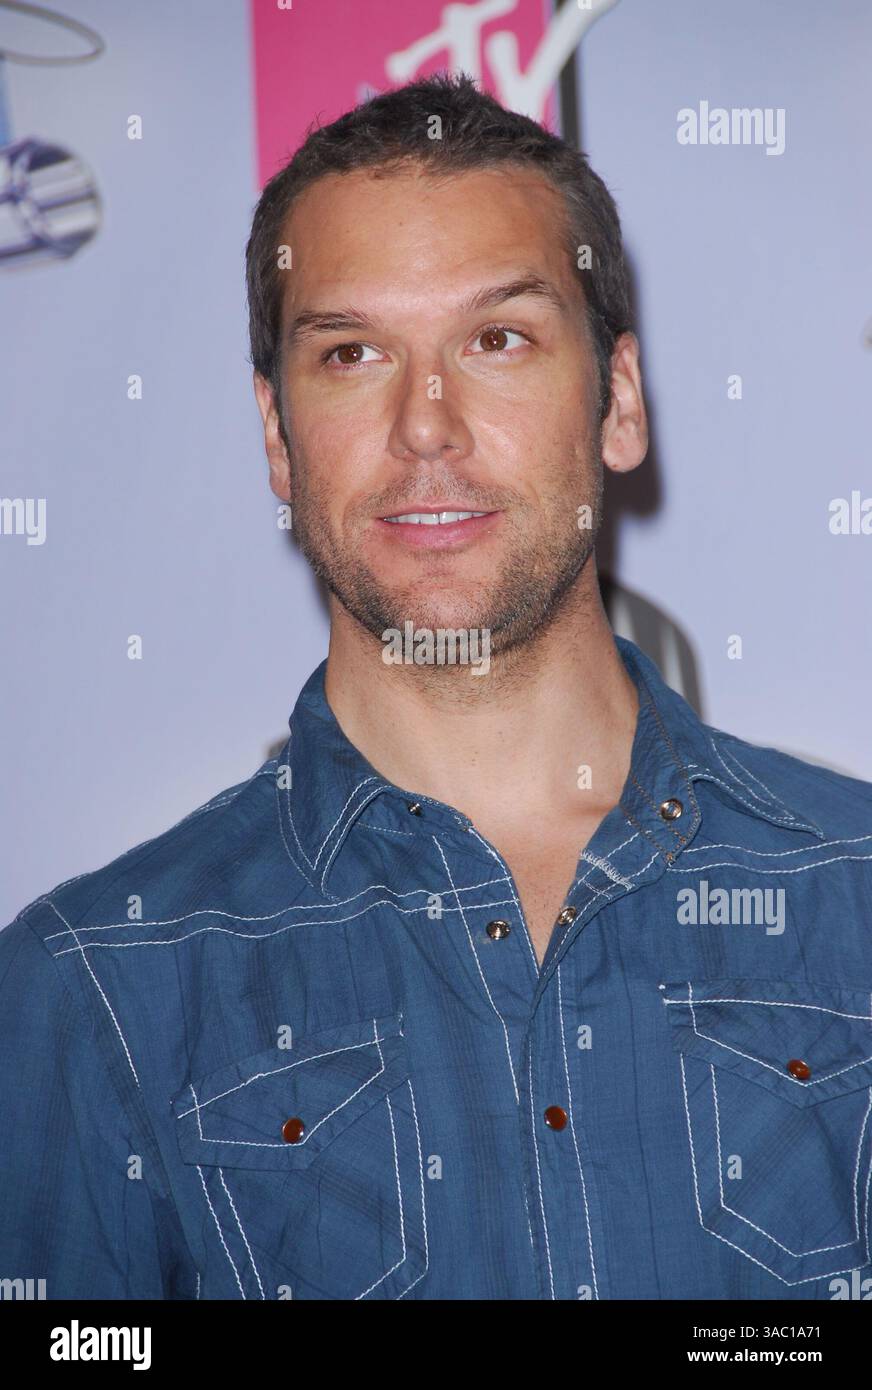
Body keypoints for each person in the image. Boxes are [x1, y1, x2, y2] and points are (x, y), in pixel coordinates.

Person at [2, 72, 871, 1302]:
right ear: (274, 435)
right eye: (352, 353)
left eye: (497, 338)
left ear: (617, 399)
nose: (426, 426)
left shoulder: (854, 897)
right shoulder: (94, 986)